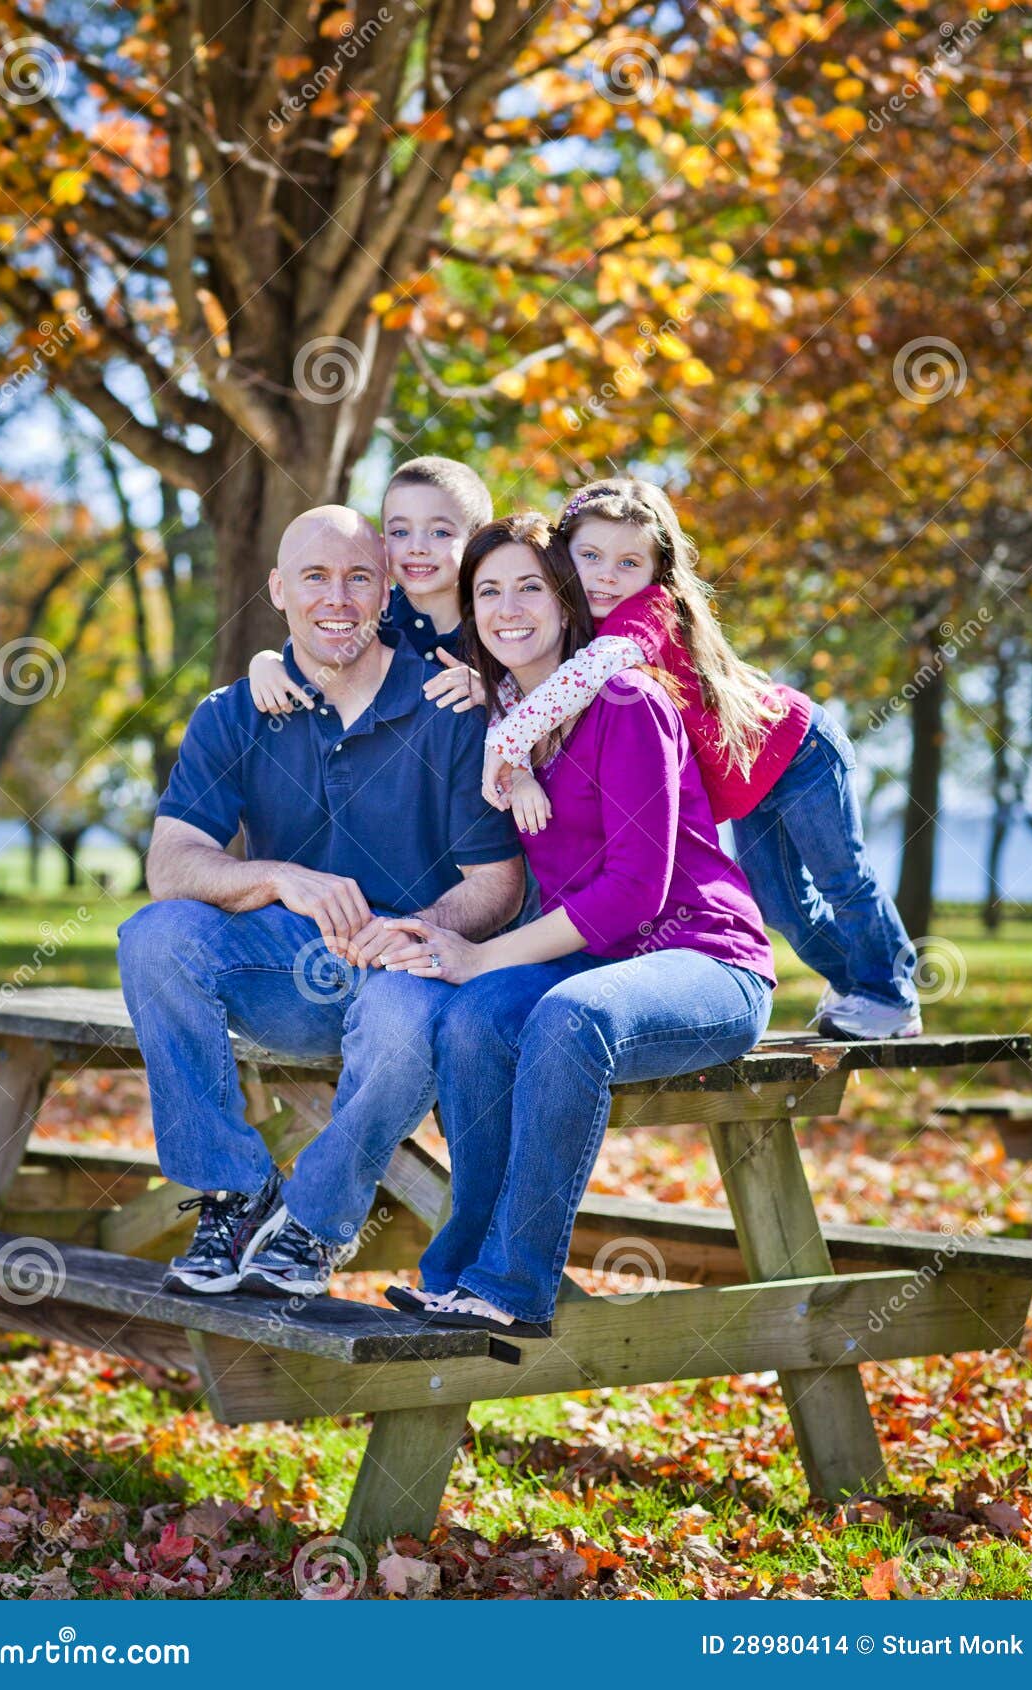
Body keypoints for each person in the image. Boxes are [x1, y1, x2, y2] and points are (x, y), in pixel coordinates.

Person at [375, 513, 775, 1338]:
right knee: (476, 1016)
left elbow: (634, 892)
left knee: (565, 1017)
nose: (507, 606)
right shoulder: (509, 722)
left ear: (564, 604)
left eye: (530, 586)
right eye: (488, 590)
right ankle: (457, 1273)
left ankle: (514, 1285)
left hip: (703, 961)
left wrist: (483, 955)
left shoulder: (627, 702)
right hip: (593, 961)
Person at [117, 505, 523, 1298]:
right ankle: (234, 1193)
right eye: (314, 577)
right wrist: (275, 878)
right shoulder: (233, 712)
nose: (335, 597)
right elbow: (170, 863)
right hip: (283, 970)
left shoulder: (447, 709)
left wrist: (418, 929)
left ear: (384, 593)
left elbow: (497, 883)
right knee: (155, 936)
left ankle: (314, 1221)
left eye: (357, 578)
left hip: (406, 975)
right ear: (277, 589)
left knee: (405, 1016)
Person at [482, 478, 921, 1041]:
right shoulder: (570, 621)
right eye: (589, 556)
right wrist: (515, 763)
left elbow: (594, 670)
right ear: (561, 554)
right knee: (783, 905)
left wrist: (506, 740)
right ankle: (859, 985)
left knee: (841, 879)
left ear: (655, 573)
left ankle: (892, 994)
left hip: (797, 750)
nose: (606, 575)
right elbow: (532, 686)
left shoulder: (646, 613)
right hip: (749, 777)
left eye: (628, 561)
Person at [247, 455, 488, 716]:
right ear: (382, 546)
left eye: (440, 532)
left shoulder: (494, 625)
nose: (417, 548)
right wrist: (267, 663)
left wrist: (493, 695)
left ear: (475, 542)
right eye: (400, 532)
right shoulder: (370, 617)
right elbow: (314, 654)